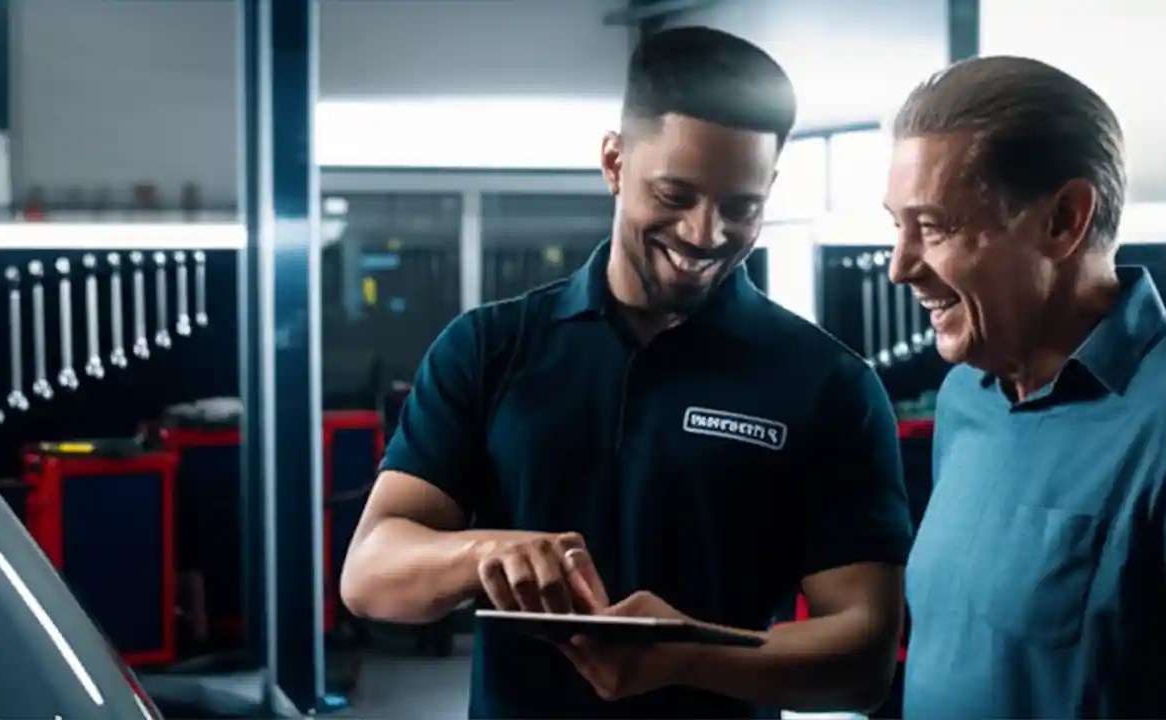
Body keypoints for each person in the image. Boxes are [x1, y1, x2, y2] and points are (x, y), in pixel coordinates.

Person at [339, 25, 913, 720]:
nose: (705, 234)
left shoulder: (830, 386)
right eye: (675, 194)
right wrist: (491, 552)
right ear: (614, 161)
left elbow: (863, 657)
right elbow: (370, 575)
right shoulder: (490, 348)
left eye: (741, 206)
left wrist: (685, 655)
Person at [885, 55, 1166, 719]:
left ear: (1064, 220)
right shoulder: (965, 399)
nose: (900, 267)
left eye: (935, 227)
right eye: (897, 225)